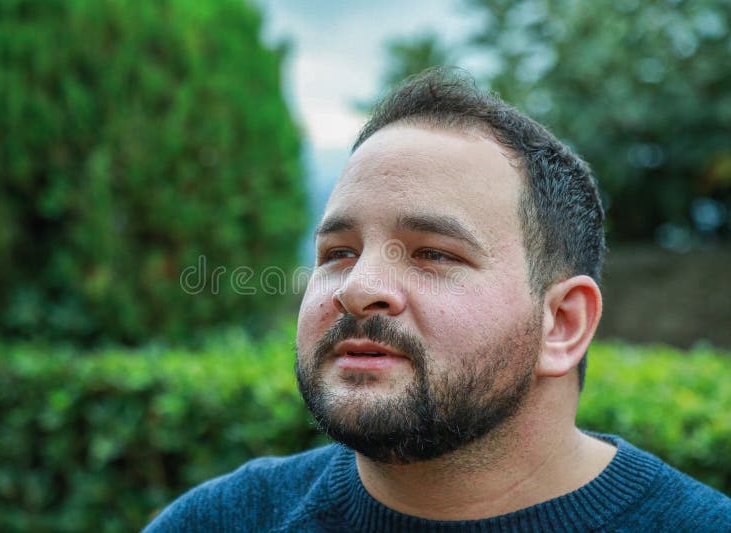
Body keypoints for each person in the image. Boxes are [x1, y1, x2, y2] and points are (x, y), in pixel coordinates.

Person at [143, 67, 731, 532]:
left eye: (434, 254)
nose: (357, 287)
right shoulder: (221, 521)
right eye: (337, 253)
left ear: (562, 324)